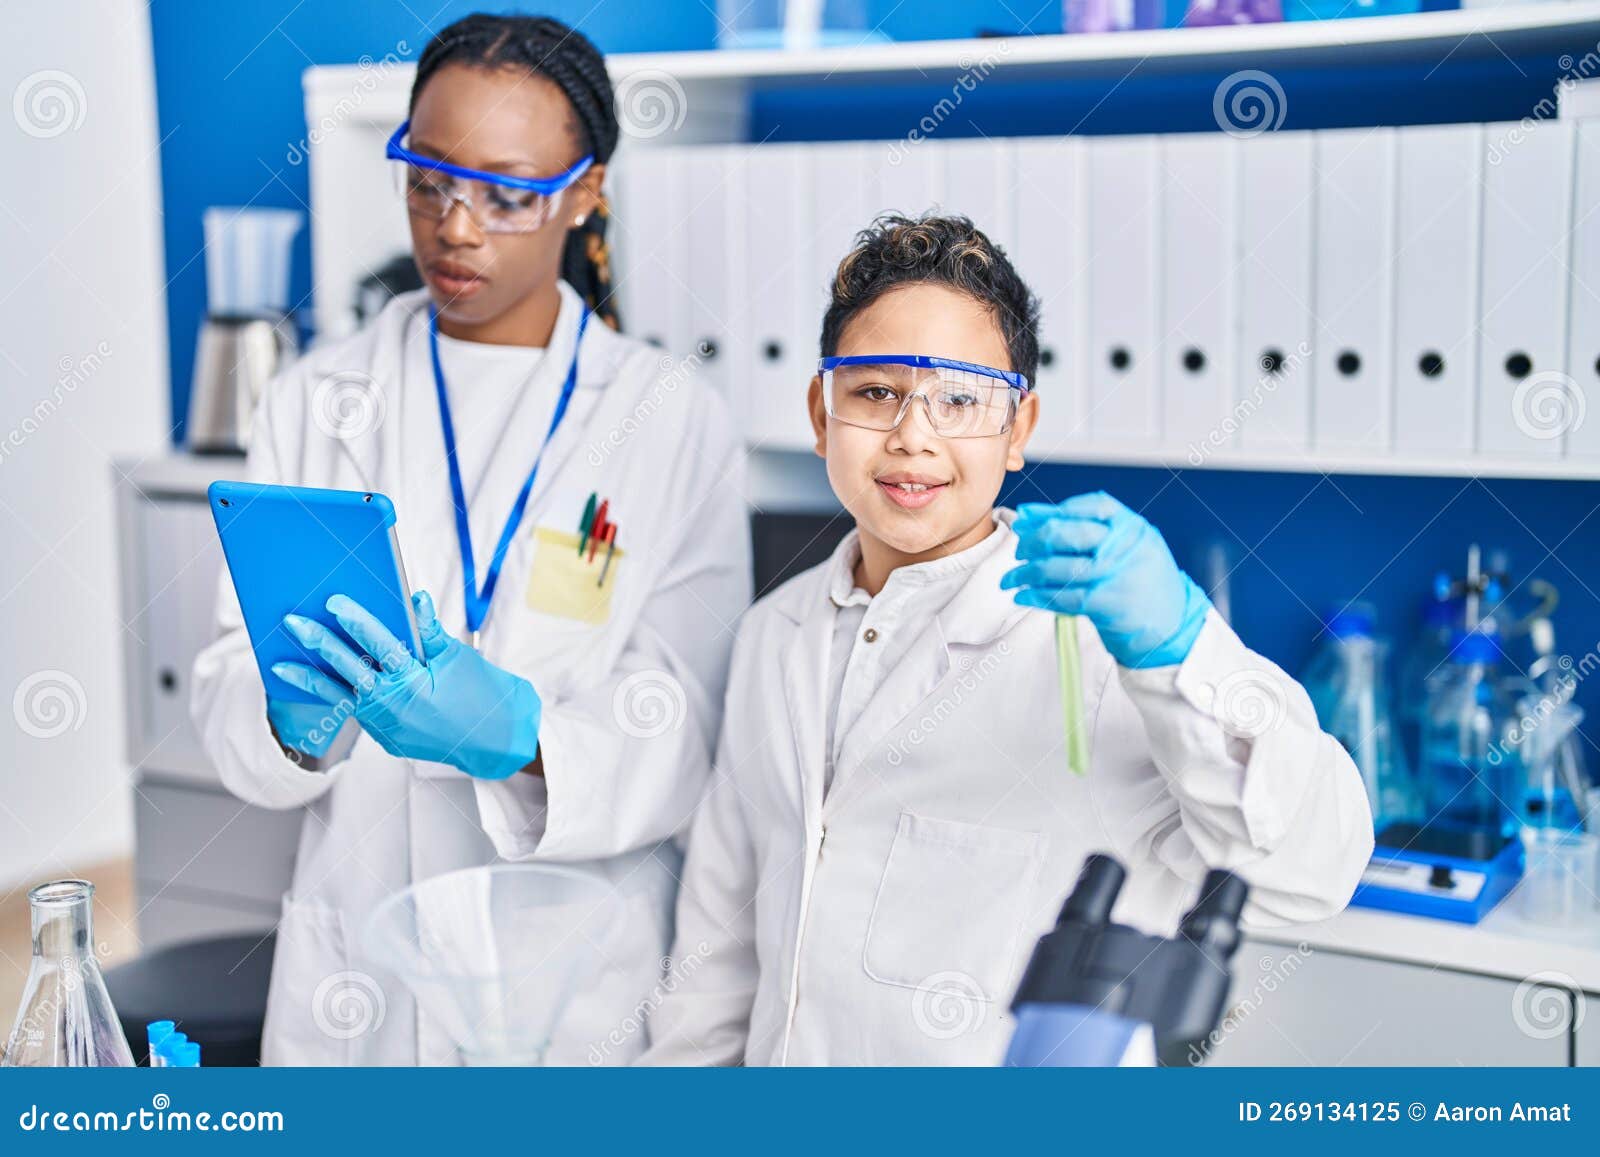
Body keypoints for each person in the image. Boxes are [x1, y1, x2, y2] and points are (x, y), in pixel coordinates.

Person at [640, 214, 1373, 1066]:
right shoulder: (777, 634)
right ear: (821, 410)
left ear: (1019, 428)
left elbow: (1312, 871)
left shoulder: (1097, 645)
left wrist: (1178, 650)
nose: (914, 435)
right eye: (876, 392)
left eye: (960, 399)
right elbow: (719, 959)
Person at [191, 13, 750, 1065]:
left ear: (586, 193)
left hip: (568, 964)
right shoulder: (316, 400)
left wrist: (522, 736)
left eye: (506, 195)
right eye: (428, 180)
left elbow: (691, 725)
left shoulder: (671, 418)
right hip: (358, 955)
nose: (455, 227)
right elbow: (226, 676)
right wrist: (289, 719)